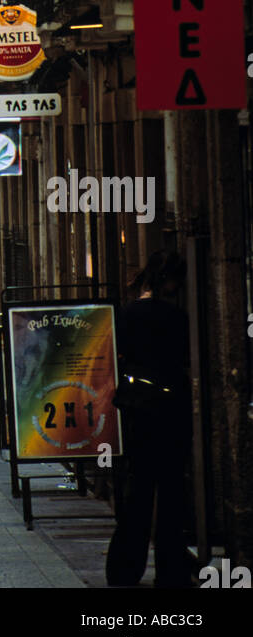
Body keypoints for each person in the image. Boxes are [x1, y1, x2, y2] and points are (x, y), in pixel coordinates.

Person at [106, 252, 194, 588]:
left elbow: (119, 356)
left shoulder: (128, 315)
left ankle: (125, 568)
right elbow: (185, 357)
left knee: (138, 490)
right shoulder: (176, 316)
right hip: (170, 410)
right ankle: (171, 571)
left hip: (137, 411)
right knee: (171, 490)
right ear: (169, 281)